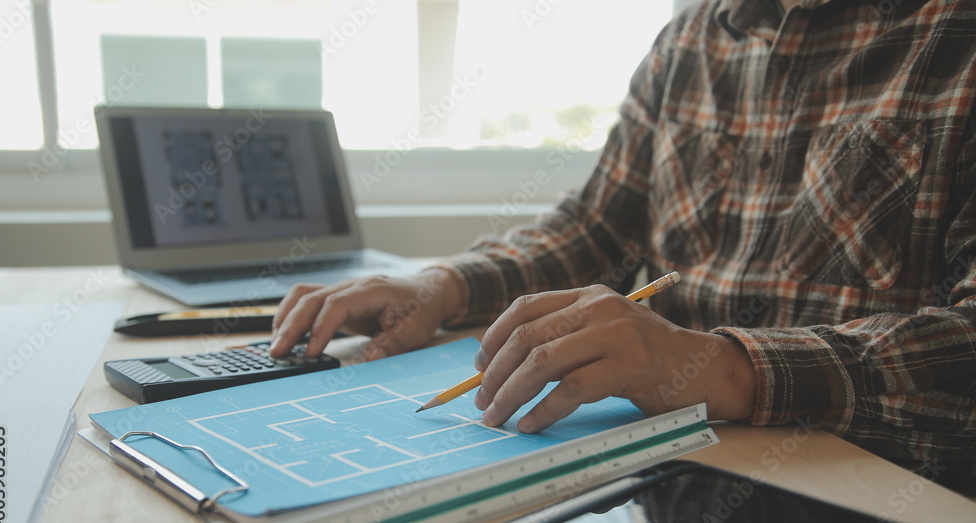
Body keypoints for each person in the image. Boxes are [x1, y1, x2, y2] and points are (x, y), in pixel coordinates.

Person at [270, 0, 976, 496]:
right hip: (672, 477)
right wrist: (444, 286)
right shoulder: (690, 41)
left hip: (881, 507)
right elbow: (594, 230)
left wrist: (720, 369)